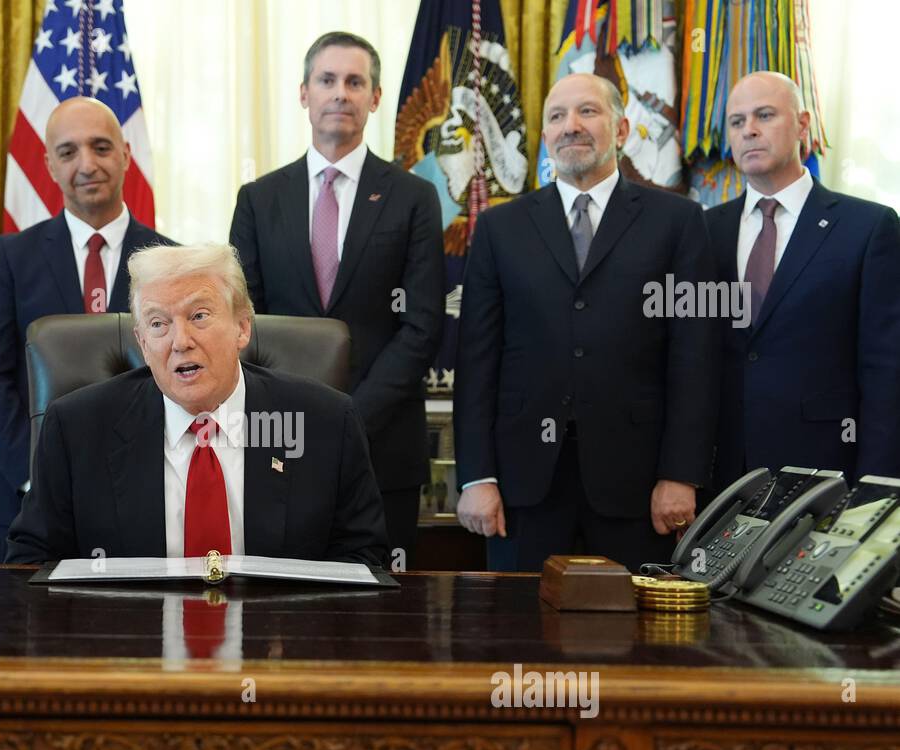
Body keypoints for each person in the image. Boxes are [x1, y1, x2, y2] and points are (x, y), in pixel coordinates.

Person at [454, 73, 721, 572]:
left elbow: (695, 357)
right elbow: (476, 359)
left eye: (587, 112)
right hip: (521, 485)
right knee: (517, 635)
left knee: (634, 642)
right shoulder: (499, 228)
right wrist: (476, 476)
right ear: (545, 137)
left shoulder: (679, 222)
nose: (570, 126)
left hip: (639, 485)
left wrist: (681, 474)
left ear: (620, 130)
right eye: (556, 117)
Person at [5, 243, 388, 566]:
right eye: (158, 324)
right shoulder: (78, 428)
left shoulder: (324, 422)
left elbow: (363, 559)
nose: (180, 341)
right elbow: (30, 562)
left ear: (242, 326)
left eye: (199, 316)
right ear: (141, 342)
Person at [230, 31, 444, 567]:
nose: (340, 93)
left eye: (355, 82)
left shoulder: (414, 197)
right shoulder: (258, 200)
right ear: (304, 93)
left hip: (385, 443)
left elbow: (422, 325)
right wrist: (306, 413)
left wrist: (350, 416)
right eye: (327, 80)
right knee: (280, 611)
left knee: (382, 613)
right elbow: (241, 319)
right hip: (278, 437)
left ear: (375, 98)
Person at [0, 97, 174, 562]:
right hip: (25, 500)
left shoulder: (172, 260)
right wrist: (36, 475)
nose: (87, 164)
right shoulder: (12, 257)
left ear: (125, 154)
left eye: (101, 147)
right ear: (49, 165)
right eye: (68, 152)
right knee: (25, 632)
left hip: (149, 495)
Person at [705, 71, 900, 486]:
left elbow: (887, 369)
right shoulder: (705, 230)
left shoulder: (867, 227)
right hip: (721, 476)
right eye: (737, 122)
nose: (749, 131)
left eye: (765, 115)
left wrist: (876, 485)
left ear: (802, 124)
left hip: (825, 471)